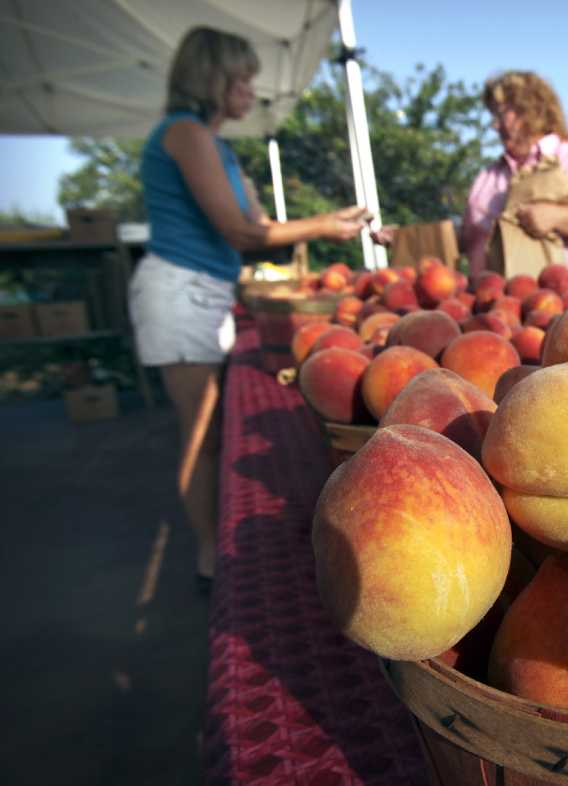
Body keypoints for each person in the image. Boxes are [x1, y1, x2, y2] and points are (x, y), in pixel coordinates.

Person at [129, 26, 369, 592]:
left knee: (212, 427)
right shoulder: (185, 134)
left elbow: (258, 227)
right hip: (178, 291)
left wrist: (319, 229)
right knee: (201, 433)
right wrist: (327, 224)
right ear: (212, 80)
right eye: (241, 81)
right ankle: (210, 559)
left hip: (208, 291)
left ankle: (218, 543)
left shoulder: (218, 149)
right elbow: (239, 229)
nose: (249, 93)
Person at [461, 70, 568, 294]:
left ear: (530, 110)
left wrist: (558, 216)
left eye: (500, 115)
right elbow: (467, 240)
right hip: (497, 313)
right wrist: (404, 240)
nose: (495, 126)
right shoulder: (489, 177)